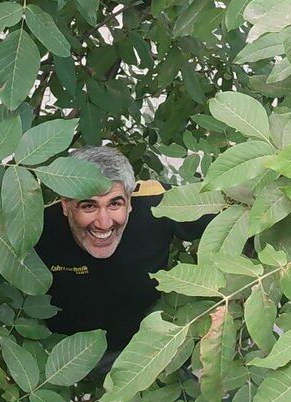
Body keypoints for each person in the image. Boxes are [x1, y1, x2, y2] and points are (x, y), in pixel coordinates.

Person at [35, 146, 210, 353]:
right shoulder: (38, 227)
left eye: (114, 204)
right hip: (66, 355)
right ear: (66, 204)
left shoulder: (159, 206)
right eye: (89, 206)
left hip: (149, 347)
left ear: (129, 201)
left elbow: (233, 212)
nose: (103, 223)